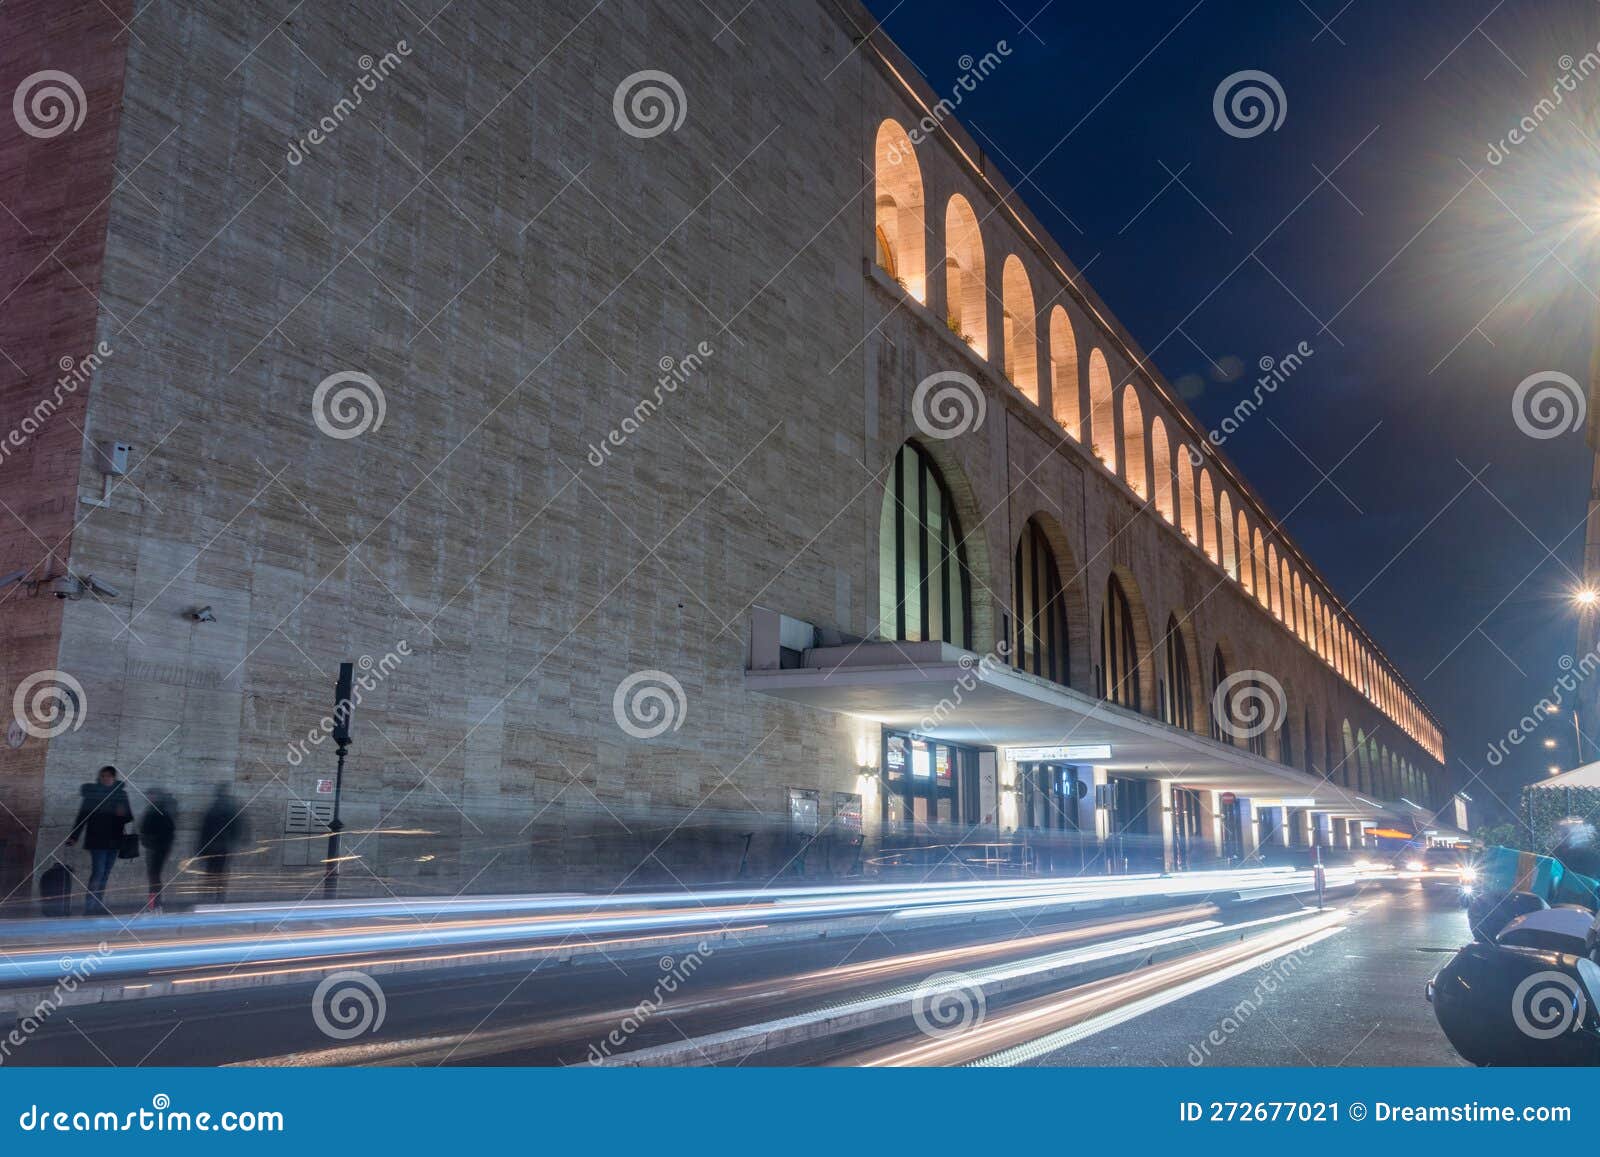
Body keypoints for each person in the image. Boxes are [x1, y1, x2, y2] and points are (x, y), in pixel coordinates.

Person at [67, 765, 132, 915]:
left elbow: (128, 817)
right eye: (103, 776)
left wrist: (122, 813)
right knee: (98, 872)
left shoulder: (121, 795)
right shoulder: (93, 794)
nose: (106, 779)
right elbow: (82, 816)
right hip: (97, 840)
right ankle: (90, 907)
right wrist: (74, 836)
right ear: (100, 777)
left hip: (114, 840)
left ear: (114, 778)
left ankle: (98, 906)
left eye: (109, 776)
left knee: (105, 874)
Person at [196, 787, 247, 904]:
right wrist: (233, 843)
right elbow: (236, 829)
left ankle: (208, 894)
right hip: (224, 847)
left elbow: (204, 831)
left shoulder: (212, 810)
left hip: (211, 847)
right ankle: (220, 895)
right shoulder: (230, 811)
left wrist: (200, 849)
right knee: (222, 872)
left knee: (210, 871)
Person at [139, 791, 178, 910]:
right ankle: (155, 903)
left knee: (153, 877)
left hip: (155, 849)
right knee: (154, 877)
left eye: (151, 796)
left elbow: (145, 829)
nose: (149, 798)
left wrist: (148, 842)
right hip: (159, 848)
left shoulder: (154, 812)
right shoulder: (162, 812)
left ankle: (154, 904)